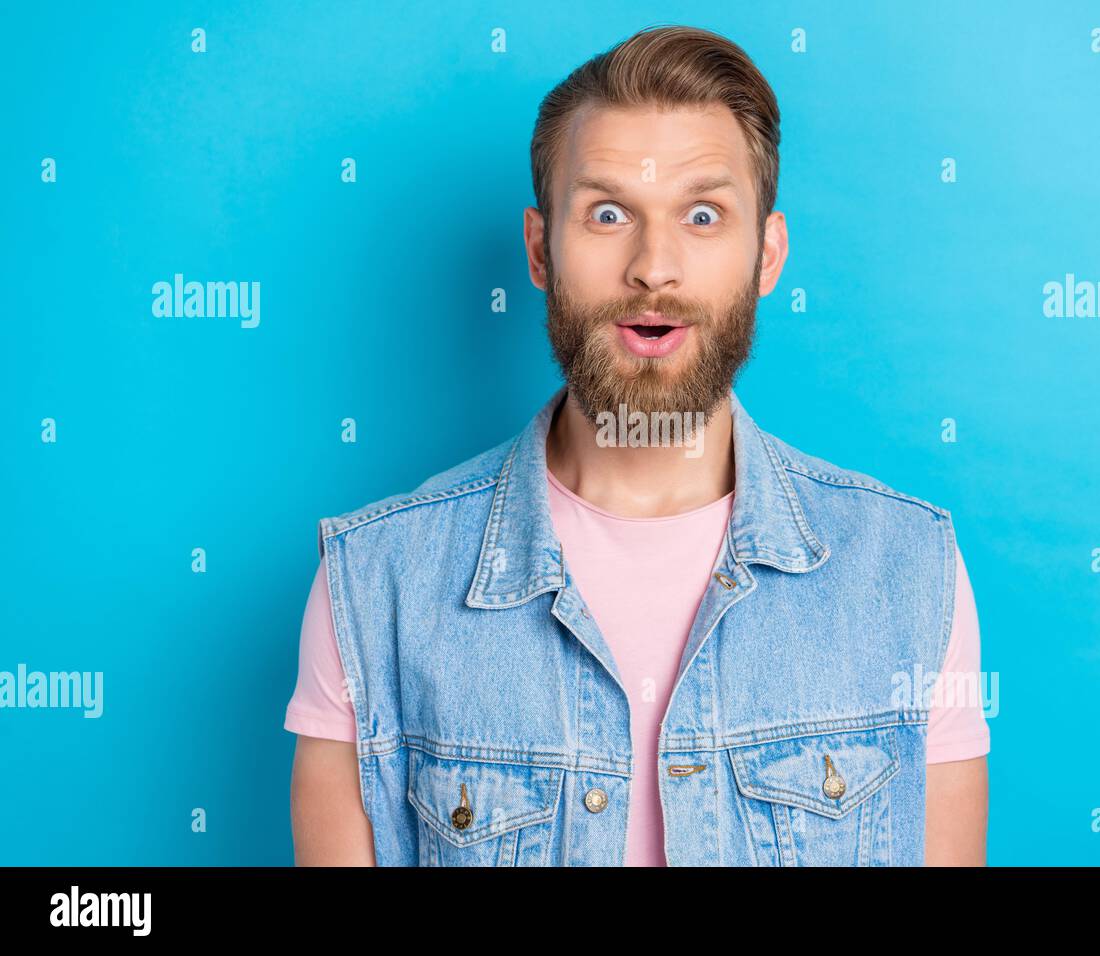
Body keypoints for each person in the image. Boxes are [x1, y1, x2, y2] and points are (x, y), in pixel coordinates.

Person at [287, 24, 989, 866]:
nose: (654, 267)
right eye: (608, 212)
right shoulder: (375, 586)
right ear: (542, 249)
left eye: (702, 214)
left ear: (765, 256)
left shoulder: (909, 573)